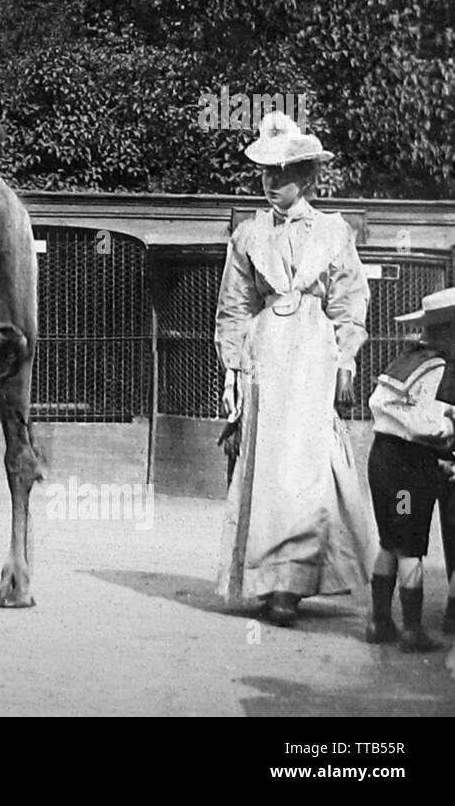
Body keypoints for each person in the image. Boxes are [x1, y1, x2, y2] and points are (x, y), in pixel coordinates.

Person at [214, 112, 372, 627]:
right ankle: (268, 579)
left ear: (306, 179)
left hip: (312, 357)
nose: (272, 183)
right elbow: (233, 308)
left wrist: (346, 362)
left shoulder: (332, 232)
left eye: (283, 174)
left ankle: (296, 582)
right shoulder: (248, 236)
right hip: (267, 359)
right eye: (265, 173)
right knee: (267, 467)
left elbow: (348, 301)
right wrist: (234, 372)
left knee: (306, 470)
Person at [362, 288, 455, 651]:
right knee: (410, 544)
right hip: (408, 467)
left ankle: (379, 622)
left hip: (380, 458)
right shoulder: (444, 369)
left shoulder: (409, 359)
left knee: (390, 541)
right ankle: (412, 630)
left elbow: (381, 404)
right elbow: (433, 426)